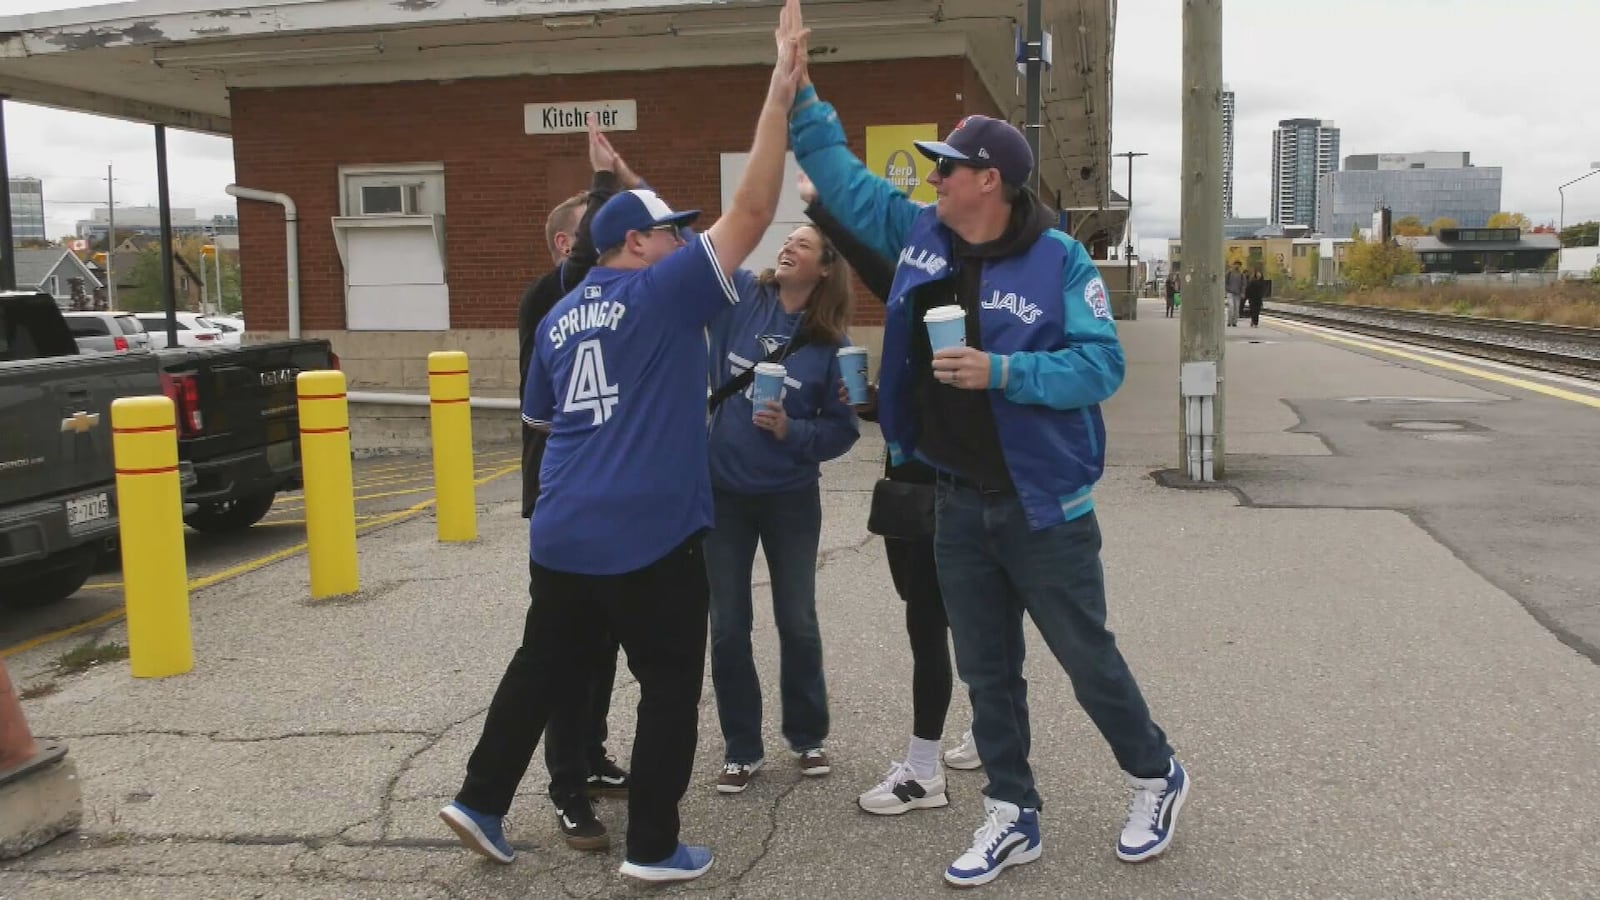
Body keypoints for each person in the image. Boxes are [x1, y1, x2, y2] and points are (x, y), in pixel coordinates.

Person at [439, 0, 811, 883]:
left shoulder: (564, 312)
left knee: (541, 665)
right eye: (668, 228)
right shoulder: (667, 293)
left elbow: (541, 421)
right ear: (638, 243)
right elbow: (753, 208)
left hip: (562, 529)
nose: (686, 236)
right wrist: (778, 92)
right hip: (648, 534)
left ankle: (481, 799)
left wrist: (612, 176)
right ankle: (652, 848)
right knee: (673, 684)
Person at [790, 89, 1190, 887]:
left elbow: (1101, 364)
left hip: (1044, 504)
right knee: (987, 668)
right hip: (955, 495)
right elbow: (842, 181)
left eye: (949, 167)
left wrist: (1003, 371)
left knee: (1085, 657)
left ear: (992, 181)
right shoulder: (922, 235)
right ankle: (1013, 811)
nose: (934, 177)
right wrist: (799, 94)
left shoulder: (1061, 261)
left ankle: (1155, 775)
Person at [795, 171, 981, 813]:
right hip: (908, 483)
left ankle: (923, 770)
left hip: (942, 485)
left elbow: (878, 268)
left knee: (931, 621)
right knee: (950, 615)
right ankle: (986, 724)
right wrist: (873, 404)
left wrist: (822, 210)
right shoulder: (928, 303)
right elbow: (914, 396)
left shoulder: (946, 298)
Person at [510, 116, 637, 853]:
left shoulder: (613, 304)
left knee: (606, 645)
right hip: (561, 501)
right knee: (568, 649)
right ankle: (565, 790)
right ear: (570, 247)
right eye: (595, 232)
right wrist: (603, 181)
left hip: (609, 501)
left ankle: (592, 758)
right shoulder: (549, 299)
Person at [702, 219, 860, 793]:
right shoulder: (743, 297)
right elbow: (704, 250)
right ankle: (741, 747)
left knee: (796, 620)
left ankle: (808, 734)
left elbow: (843, 432)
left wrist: (792, 431)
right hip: (722, 493)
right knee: (728, 626)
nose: (790, 245)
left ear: (825, 269)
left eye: (804, 243)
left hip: (791, 498)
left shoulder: (831, 346)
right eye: (788, 239)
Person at [1224, 261, 1245, 327]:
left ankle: (1234, 322)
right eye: (1235, 264)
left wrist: (1242, 292)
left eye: (1238, 265)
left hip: (1237, 294)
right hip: (1230, 293)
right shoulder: (1229, 273)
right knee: (1231, 307)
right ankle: (1229, 321)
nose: (1237, 266)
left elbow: (1243, 284)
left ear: (1240, 266)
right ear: (1233, 265)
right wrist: (1227, 289)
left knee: (1236, 308)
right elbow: (1225, 282)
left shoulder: (1241, 275)